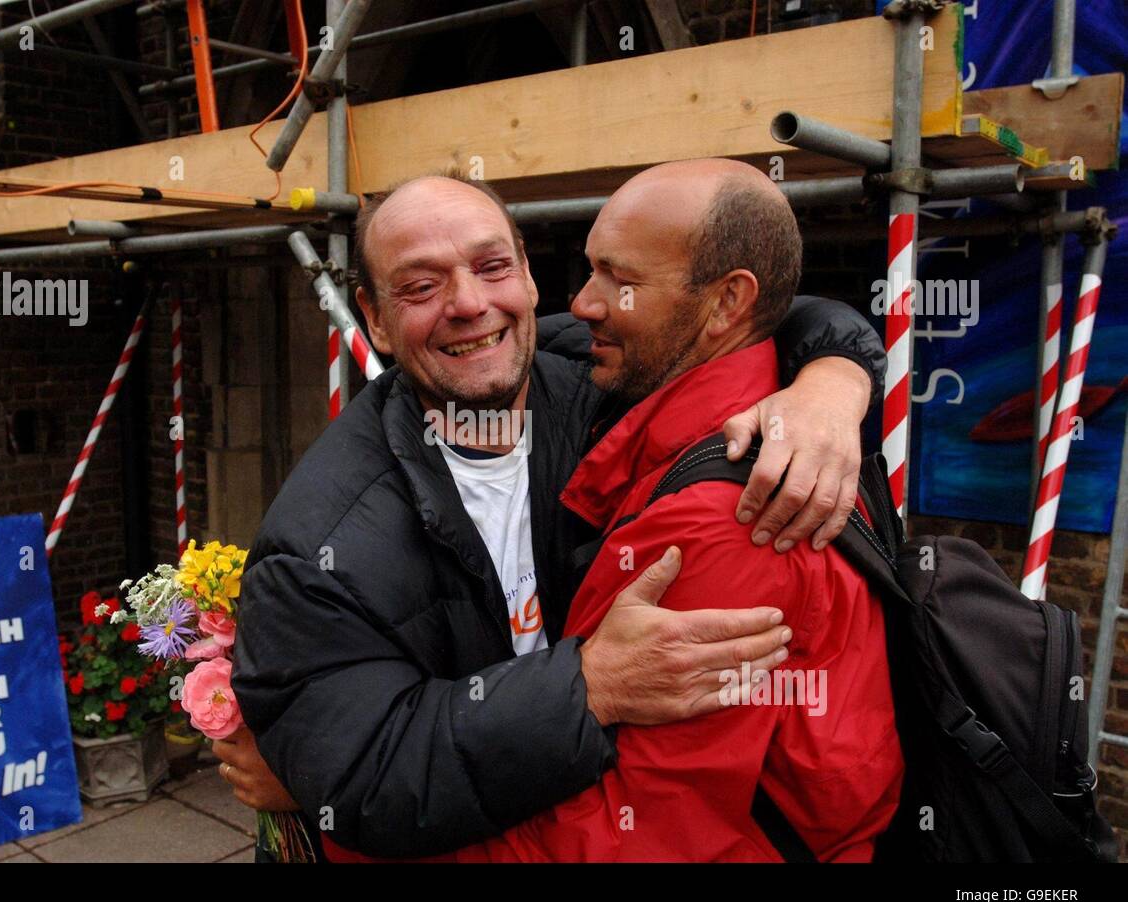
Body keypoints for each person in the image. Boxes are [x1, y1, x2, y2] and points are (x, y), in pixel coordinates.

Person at [226, 170, 887, 859]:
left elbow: (777, 304)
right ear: (375, 318)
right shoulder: (315, 549)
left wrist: (835, 379)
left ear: (526, 276)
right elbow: (370, 776)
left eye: (491, 266)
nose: (470, 303)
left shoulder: (603, 379)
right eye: (420, 286)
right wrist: (586, 685)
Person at [413, 158, 899, 862]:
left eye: (621, 280)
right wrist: (840, 370)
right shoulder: (683, 413)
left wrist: (348, 817)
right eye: (590, 270)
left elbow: (627, 834)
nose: (583, 302)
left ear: (727, 304)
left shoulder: (735, 520)